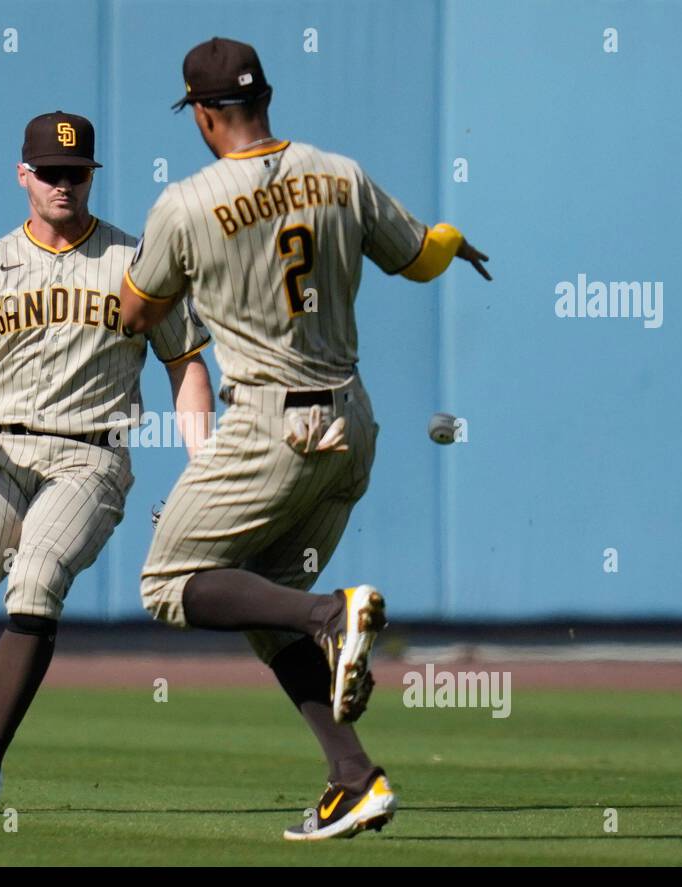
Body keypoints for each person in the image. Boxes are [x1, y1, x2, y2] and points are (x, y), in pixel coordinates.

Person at [119, 38, 491, 841]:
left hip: (269, 421)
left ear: (206, 117)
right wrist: (455, 239)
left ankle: (331, 614)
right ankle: (354, 778)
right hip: (351, 422)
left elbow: (135, 313)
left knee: (168, 581)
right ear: (267, 100)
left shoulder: (183, 203)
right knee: (263, 608)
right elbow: (420, 259)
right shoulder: (339, 173)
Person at [0, 110, 213, 813]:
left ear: (92, 176)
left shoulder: (139, 264)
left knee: (35, 580)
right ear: (24, 176)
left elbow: (186, 362)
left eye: (76, 173)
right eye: (50, 173)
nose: (63, 184)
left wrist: (202, 463)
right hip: (2, 452)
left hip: (90, 455)